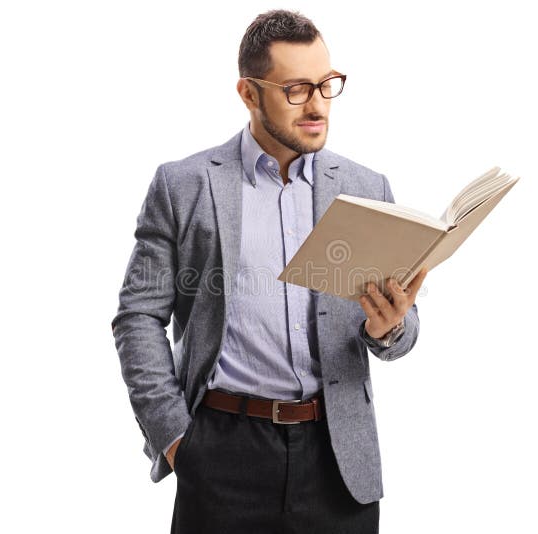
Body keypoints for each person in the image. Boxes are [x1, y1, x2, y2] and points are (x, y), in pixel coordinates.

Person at [111, 9, 428, 534]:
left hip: (338, 459)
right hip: (221, 451)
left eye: (326, 85)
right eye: (297, 89)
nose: (318, 105)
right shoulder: (184, 185)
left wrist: (389, 327)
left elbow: (404, 332)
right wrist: (175, 439)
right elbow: (138, 316)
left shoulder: (366, 189)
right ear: (249, 93)